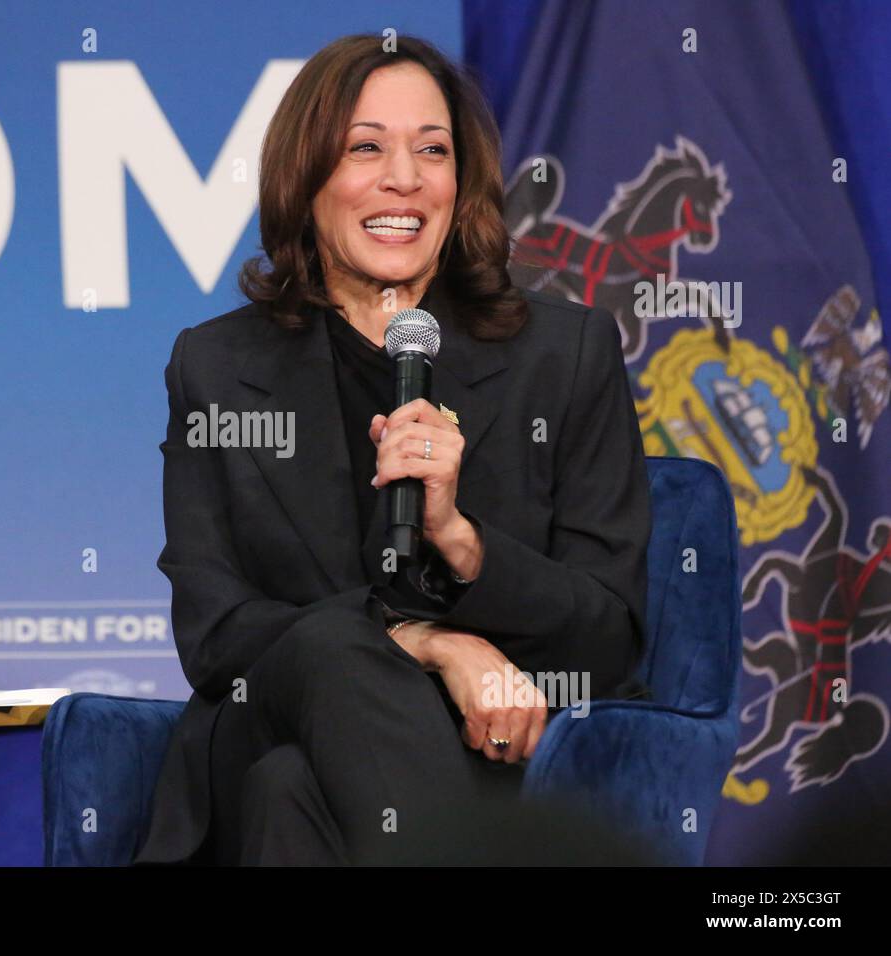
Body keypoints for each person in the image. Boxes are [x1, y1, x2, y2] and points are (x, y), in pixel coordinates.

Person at [133, 33, 652, 866]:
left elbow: (608, 640)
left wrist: (462, 541)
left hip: (477, 754)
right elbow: (217, 632)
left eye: (432, 151)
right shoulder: (218, 367)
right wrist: (435, 642)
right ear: (304, 179)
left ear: (461, 183)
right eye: (365, 148)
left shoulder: (567, 353)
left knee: (288, 794)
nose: (403, 179)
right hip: (268, 711)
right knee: (331, 657)